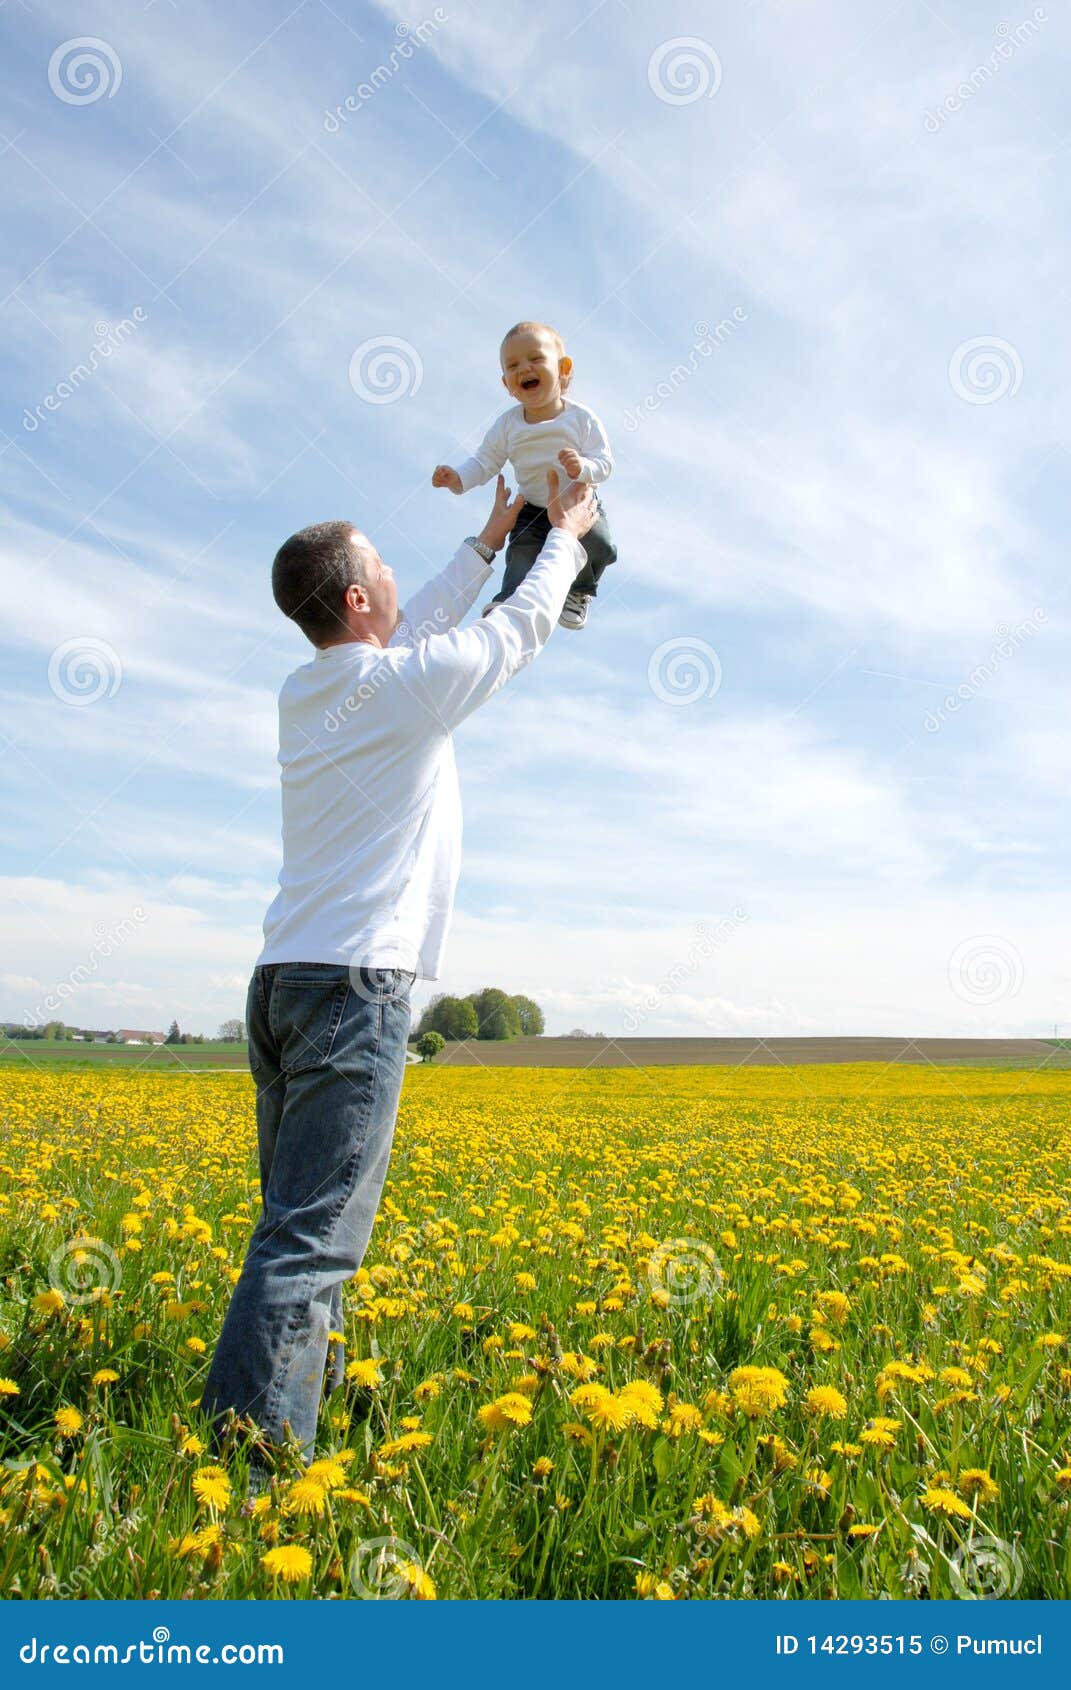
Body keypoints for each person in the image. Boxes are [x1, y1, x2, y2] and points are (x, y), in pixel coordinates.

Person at [199, 468, 597, 1481]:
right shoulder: (399, 688)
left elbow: (414, 625)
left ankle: (305, 1414)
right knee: (310, 1241)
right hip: (351, 988)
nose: (392, 576)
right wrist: (565, 537)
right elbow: (517, 632)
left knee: (298, 1222)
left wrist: (488, 538)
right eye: (380, 564)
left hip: (282, 981)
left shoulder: (313, 690)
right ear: (357, 597)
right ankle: (247, 1479)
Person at [432, 320, 616, 631]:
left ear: (563, 368)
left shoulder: (581, 419)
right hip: (532, 510)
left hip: (576, 506)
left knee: (600, 542)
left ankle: (578, 591)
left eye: (536, 358)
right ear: (506, 383)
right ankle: (508, 601)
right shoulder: (508, 426)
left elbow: (605, 462)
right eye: (513, 365)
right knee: (521, 555)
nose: (524, 369)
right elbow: (485, 461)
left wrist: (583, 467)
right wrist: (458, 479)